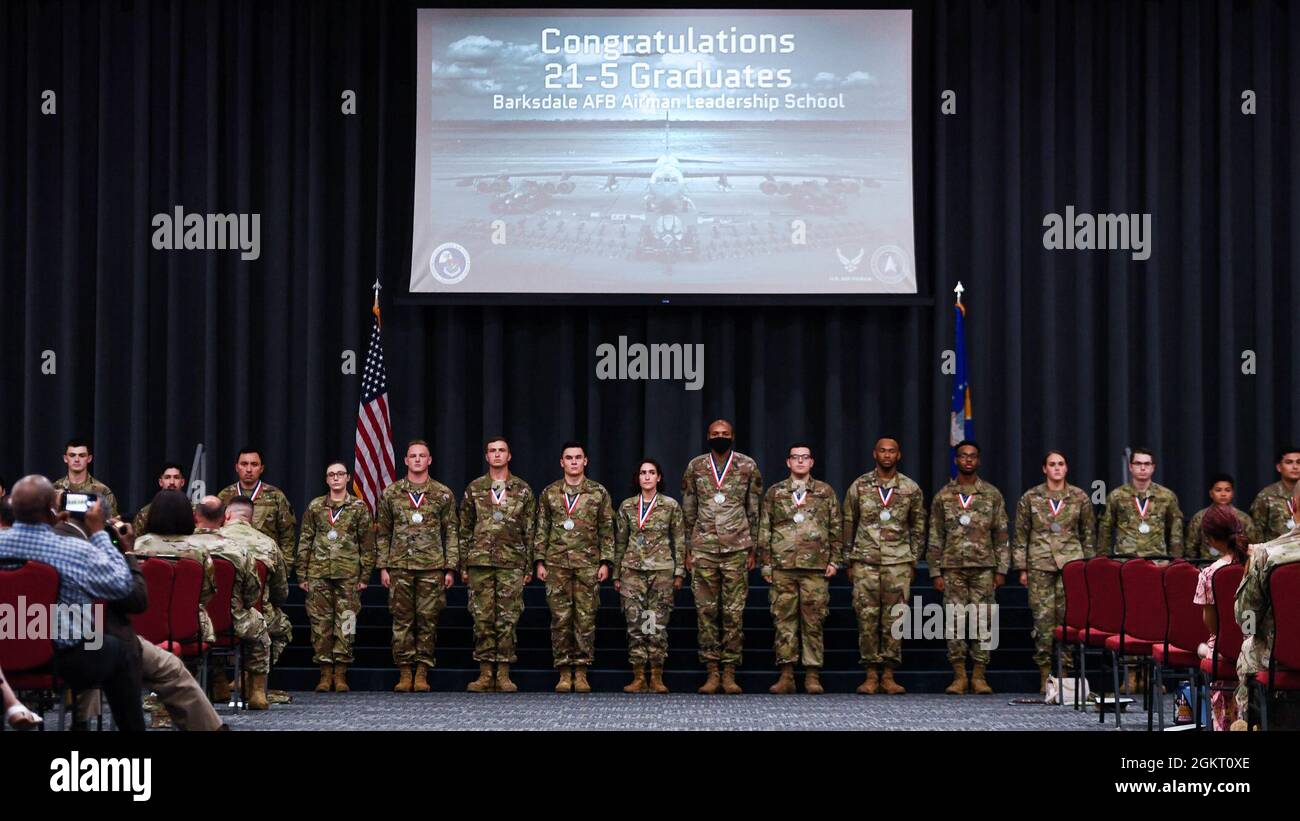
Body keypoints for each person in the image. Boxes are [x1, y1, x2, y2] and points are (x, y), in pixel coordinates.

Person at [0, 476, 140, 730]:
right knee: (119, 650)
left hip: (3, 650)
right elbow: (121, 585)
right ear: (51, 511)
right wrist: (98, 533)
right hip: (61, 656)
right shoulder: (73, 550)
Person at [681, 419, 762, 695]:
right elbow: (688, 508)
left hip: (737, 546)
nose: (720, 437)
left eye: (725, 434)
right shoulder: (696, 466)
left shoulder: (747, 465)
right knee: (705, 612)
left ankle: (729, 672)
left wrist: (754, 548)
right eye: (715, 434)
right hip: (703, 547)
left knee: (733, 612)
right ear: (707, 436)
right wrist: (688, 548)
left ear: (733, 436)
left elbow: (754, 509)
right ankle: (711, 671)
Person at [841, 437, 926, 695]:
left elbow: (919, 526)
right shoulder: (860, 485)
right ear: (874, 454)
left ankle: (888, 673)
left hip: (897, 561)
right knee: (866, 618)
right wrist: (848, 559)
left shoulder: (910, 488)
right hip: (865, 561)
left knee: (896, 618)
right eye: (882, 451)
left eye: (891, 451)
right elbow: (848, 522)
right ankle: (870, 673)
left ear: (898, 455)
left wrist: (913, 558)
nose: (887, 455)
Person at [376, 440, 459, 693]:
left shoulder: (443, 493)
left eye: (422, 456)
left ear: (430, 460)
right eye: (413, 456)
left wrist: (450, 567)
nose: (417, 460)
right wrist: (383, 566)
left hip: (432, 566)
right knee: (401, 620)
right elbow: (382, 532)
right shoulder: (391, 493)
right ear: (406, 461)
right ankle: (404, 670)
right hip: (399, 565)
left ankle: (422, 670)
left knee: (428, 620)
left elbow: (452, 532)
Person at [929, 441, 1010, 695]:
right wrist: (934, 571)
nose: (967, 461)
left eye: (972, 457)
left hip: (984, 567)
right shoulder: (943, 496)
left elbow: (1002, 534)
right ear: (956, 460)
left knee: (983, 620)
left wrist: (1002, 569)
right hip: (952, 568)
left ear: (979, 461)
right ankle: (959, 676)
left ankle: (979, 675)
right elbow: (935, 536)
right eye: (963, 456)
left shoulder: (992, 494)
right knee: (954, 621)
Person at [758, 443, 840, 695]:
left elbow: (836, 526)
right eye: (796, 458)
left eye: (805, 457)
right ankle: (786, 674)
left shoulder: (825, 492)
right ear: (788, 462)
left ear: (812, 462)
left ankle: (812, 675)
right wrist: (766, 563)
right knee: (784, 620)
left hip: (815, 566)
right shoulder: (775, 492)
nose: (801, 462)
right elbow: (765, 528)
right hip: (783, 566)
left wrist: (835, 560)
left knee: (814, 621)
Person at [534, 441, 615, 693]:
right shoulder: (549, 493)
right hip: (556, 564)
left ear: (585, 461)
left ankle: (580, 672)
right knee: (560, 619)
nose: (573, 462)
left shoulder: (598, 492)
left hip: (587, 565)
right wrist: (539, 560)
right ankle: (563, 672)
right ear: (561, 462)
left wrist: (606, 561)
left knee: (585, 619)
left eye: (578, 458)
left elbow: (606, 529)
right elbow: (541, 528)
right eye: (568, 458)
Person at [1012, 450, 1096, 692]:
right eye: (1052, 464)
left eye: (1061, 464)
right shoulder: (1031, 497)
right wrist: (1021, 568)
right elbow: (1020, 534)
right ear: (1044, 469)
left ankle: (1065, 673)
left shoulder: (1079, 497)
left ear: (1066, 468)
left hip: (1072, 566)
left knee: (1069, 621)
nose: (1057, 468)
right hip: (1040, 565)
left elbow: (1088, 534)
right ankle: (1045, 674)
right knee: (1043, 621)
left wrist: (1089, 567)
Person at [458, 437, 535, 693]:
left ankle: (503, 673)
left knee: (508, 619)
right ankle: (484, 673)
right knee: (482, 618)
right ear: (487, 457)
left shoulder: (522, 489)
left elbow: (530, 531)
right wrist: (463, 565)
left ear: (509, 456)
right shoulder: (475, 488)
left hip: (511, 563)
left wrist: (529, 566)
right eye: (492, 451)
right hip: (479, 562)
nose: (497, 455)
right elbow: (465, 529)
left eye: (502, 450)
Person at [297, 462, 375, 693]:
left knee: (347, 622)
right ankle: (325, 673)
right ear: (327, 479)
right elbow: (305, 541)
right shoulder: (316, 506)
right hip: (319, 573)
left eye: (340, 474)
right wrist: (302, 573)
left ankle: (341, 672)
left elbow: (367, 545)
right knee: (320, 624)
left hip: (349, 574)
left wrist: (365, 575)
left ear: (348, 478)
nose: (336, 478)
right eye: (331, 474)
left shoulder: (359, 508)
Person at [189, 496, 272, 709]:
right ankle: (256, 692)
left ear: (195, 517)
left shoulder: (183, 547)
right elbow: (253, 592)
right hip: (232, 622)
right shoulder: (237, 550)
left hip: (189, 623)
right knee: (260, 625)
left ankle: (215, 681)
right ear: (224, 517)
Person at [1231, 486, 1300, 731]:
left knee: (1249, 649)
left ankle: (1252, 724)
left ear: (1292, 507)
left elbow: (1245, 615)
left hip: (1277, 658)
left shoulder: (1265, 553)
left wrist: (1252, 631)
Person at [614, 459, 685, 694]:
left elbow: (679, 540)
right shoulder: (626, 506)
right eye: (643, 473)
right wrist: (617, 573)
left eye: (651, 472)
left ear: (659, 478)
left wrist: (679, 571)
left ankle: (656, 675)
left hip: (661, 571)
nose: (647, 477)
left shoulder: (670, 506)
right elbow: (620, 541)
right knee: (636, 623)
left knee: (655, 622)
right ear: (638, 478)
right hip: (632, 572)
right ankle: (638, 676)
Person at [221, 496, 291, 702]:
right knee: (283, 628)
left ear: (227, 515)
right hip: (254, 617)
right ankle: (254, 684)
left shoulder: (210, 541)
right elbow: (281, 592)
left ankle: (217, 683)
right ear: (251, 520)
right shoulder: (268, 544)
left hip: (209, 619)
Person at [131, 491, 218, 649]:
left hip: (142, 626)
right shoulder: (199, 550)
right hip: (188, 628)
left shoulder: (139, 545)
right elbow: (206, 593)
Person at [1193, 505, 1250, 731]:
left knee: (1204, 648)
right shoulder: (1263, 562)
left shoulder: (1209, 574)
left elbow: (1213, 625)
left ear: (1209, 539)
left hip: (1227, 653)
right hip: (1265, 651)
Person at [217, 447, 297, 570]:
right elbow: (216, 530)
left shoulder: (276, 496)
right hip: (233, 564)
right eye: (244, 464)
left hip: (266, 564)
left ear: (261, 468)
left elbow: (288, 535)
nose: (249, 469)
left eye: (254, 464)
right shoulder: (224, 496)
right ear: (237, 467)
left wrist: (285, 567)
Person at [1098, 448, 1184, 557]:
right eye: (1138, 464)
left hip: (1157, 561)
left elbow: (1175, 531)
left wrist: (1175, 561)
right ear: (1130, 467)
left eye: (1147, 464)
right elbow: (1105, 529)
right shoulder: (1116, 496)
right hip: (1125, 561)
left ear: (1153, 467)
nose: (1143, 468)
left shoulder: (1167, 496)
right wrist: (1103, 560)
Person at [1184, 474, 1256, 560]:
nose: (1223, 494)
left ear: (1232, 493)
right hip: (1206, 566)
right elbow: (1191, 549)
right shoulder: (1200, 517)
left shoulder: (1243, 519)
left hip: (1236, 566)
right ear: (1211, 493)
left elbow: (1252, 546)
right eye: (1218, 490)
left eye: (1227, 490)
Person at [53, 438, 120, 519]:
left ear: (89, 458)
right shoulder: (55, 489)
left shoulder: (102, 491)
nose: (77, 459)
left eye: (82, 455)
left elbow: (113, 522)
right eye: (72, 455)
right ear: (65, 458)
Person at [1248, 446, 1300, 543]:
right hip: (1276, 554)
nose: (1295, 467)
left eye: (1299, 462)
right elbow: (1256, 533)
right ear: (1279, 467)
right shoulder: (1266, 496)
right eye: (1289, 462)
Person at [131, 462, 188, 535]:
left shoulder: (194, 512)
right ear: (160, 482)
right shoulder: (146, 513)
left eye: (176, 477)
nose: (172, 482)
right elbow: (136, 542)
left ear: (182, 482)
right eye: (167, 477)